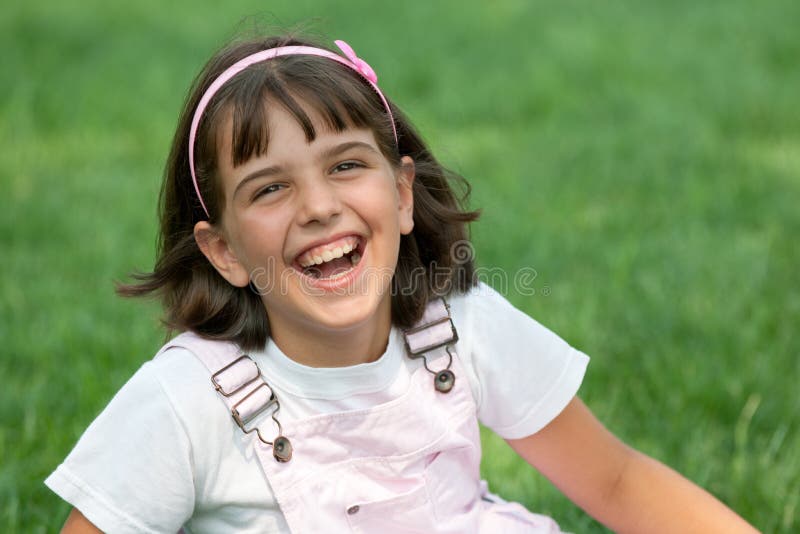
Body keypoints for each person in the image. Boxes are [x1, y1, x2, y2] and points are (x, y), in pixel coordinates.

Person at [46, 34, 758, 533]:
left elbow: (616, 481)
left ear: (404, 193)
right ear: (223, 251)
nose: (320, 206)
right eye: (269, 189)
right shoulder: (187, 400)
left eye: (347, 165)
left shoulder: (460, 325)